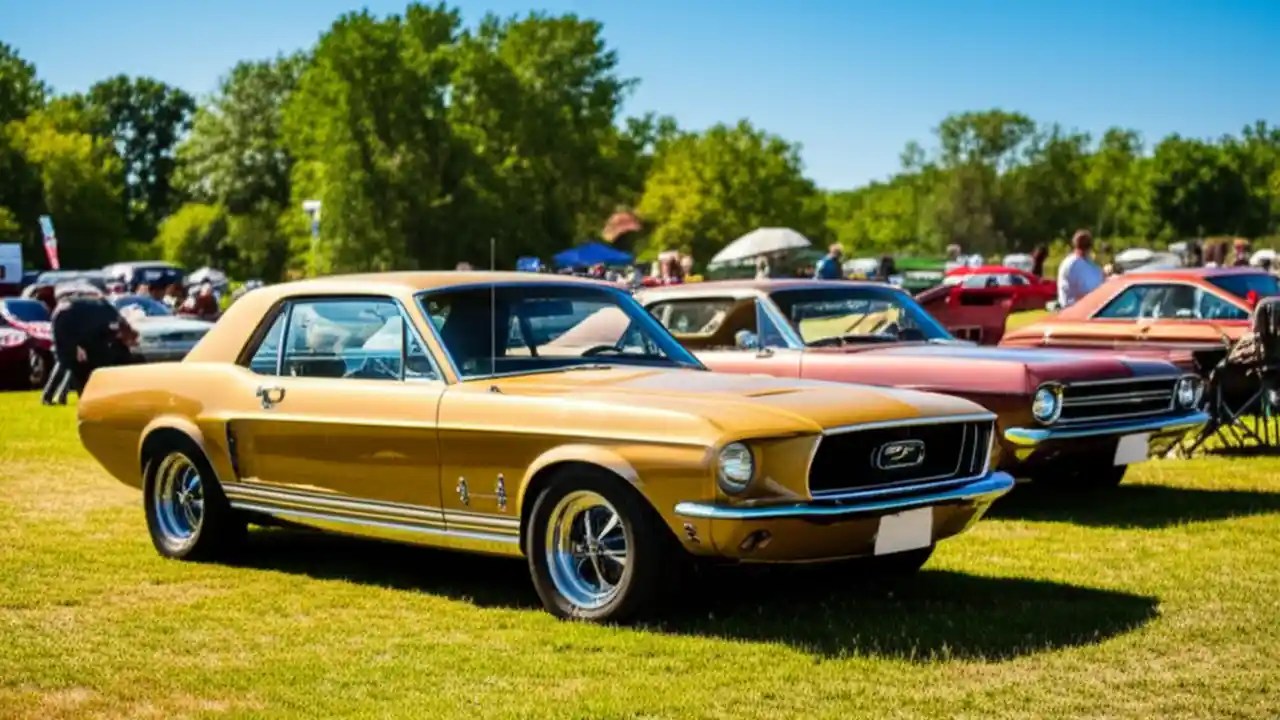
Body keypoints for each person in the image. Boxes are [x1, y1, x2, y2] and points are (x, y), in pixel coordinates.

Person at [50, 285, 138, 397]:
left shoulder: (104, 312)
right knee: (71, 363)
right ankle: (77, 395)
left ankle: (56, 396)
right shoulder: (108, 315)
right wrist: (78, 347)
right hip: (69, 322)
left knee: (67, 362)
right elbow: (92, 334)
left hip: (65, 317)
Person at [1057, 229, 1106, 308]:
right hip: (1076, 309)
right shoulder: (1074, 264)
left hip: (1081, 308)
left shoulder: (1083, 262)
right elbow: (1088, 289)